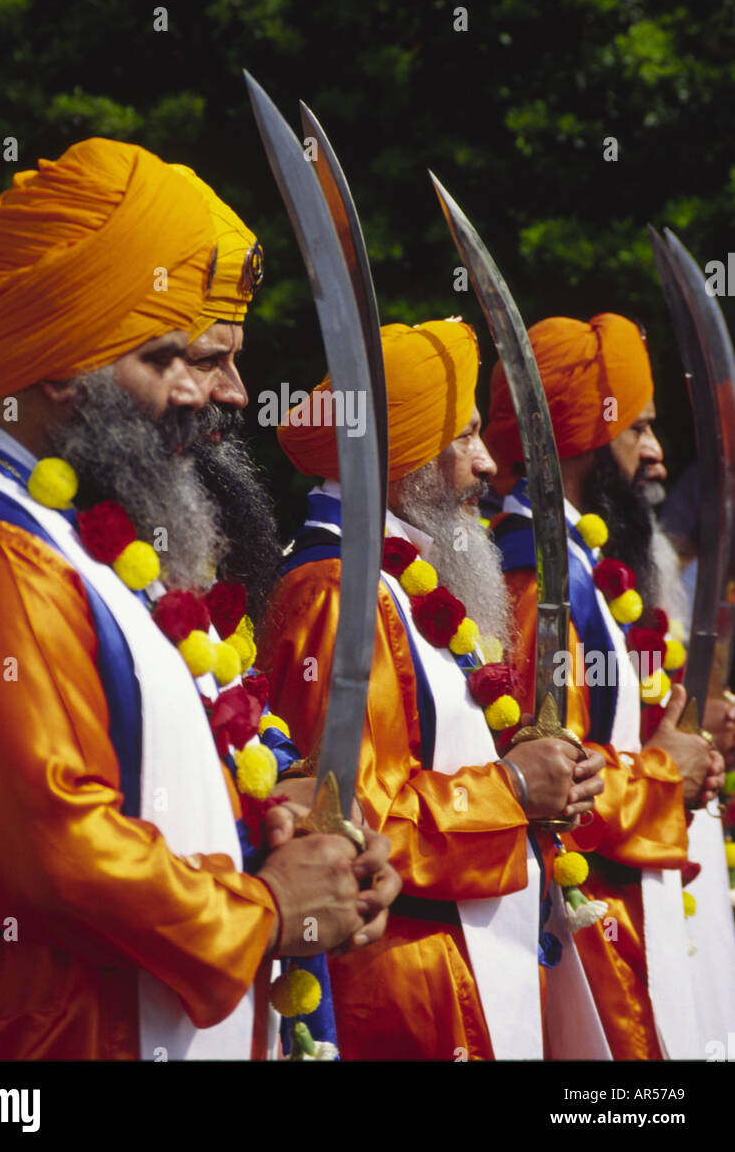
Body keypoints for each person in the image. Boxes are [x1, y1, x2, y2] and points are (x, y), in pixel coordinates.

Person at [0, 138, 399, 1061]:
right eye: (183, 359)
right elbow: (60, 854)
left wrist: (263, 821)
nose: (230, 395)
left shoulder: (97, 552)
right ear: (59, 366)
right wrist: (270, 905)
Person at [258, 318, 604, 1060]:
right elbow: (351, 818)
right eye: (464, 437)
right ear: (401, 455)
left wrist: (552, 771)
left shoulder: (403, 584)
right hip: (404, 989)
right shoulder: (335, 591)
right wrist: (514, 787)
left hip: (468, 966)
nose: (487, 464)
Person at [487, 311, 729, 1058]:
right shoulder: (539, 575)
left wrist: (688, 740)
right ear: (588, 438)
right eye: (640, 430)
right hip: (595, 937)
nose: (658, 456)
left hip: (637, 909)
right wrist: (665, 773)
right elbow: (556, 781)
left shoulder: (586, 562)